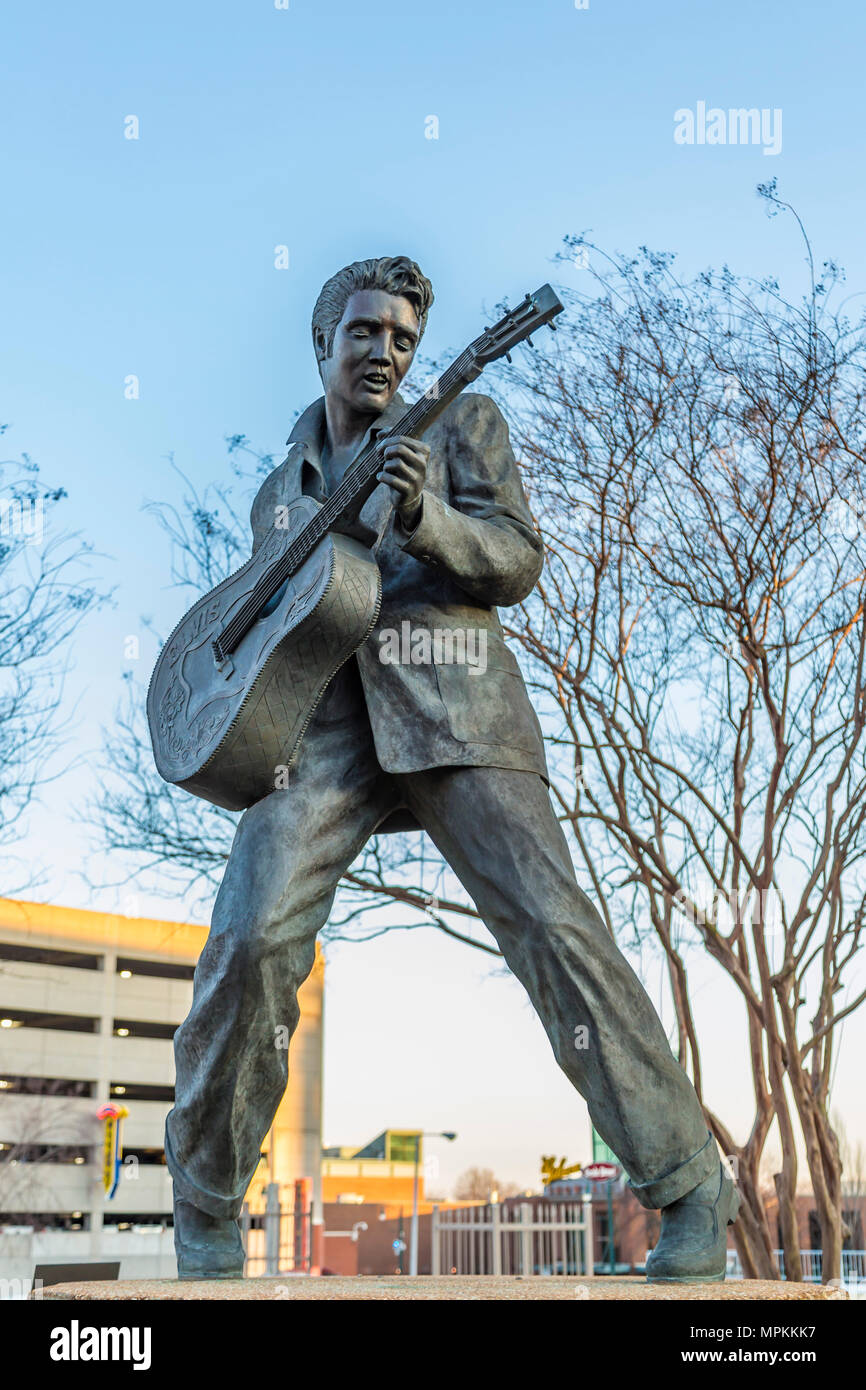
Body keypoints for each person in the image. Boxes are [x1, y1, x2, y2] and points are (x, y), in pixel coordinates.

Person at [165, 256, 739, 1282]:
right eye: (364, 331)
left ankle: (689, 1183)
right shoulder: (277, 489)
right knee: (247, 939)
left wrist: (429, 519)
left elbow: (517, 558)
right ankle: (205, 1201)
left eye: (400, 337)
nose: (384, 349)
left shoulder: (458, 423)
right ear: (322, 342)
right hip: (320, 725)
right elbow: (260, 627)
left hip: (457, 702)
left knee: (555, 931)